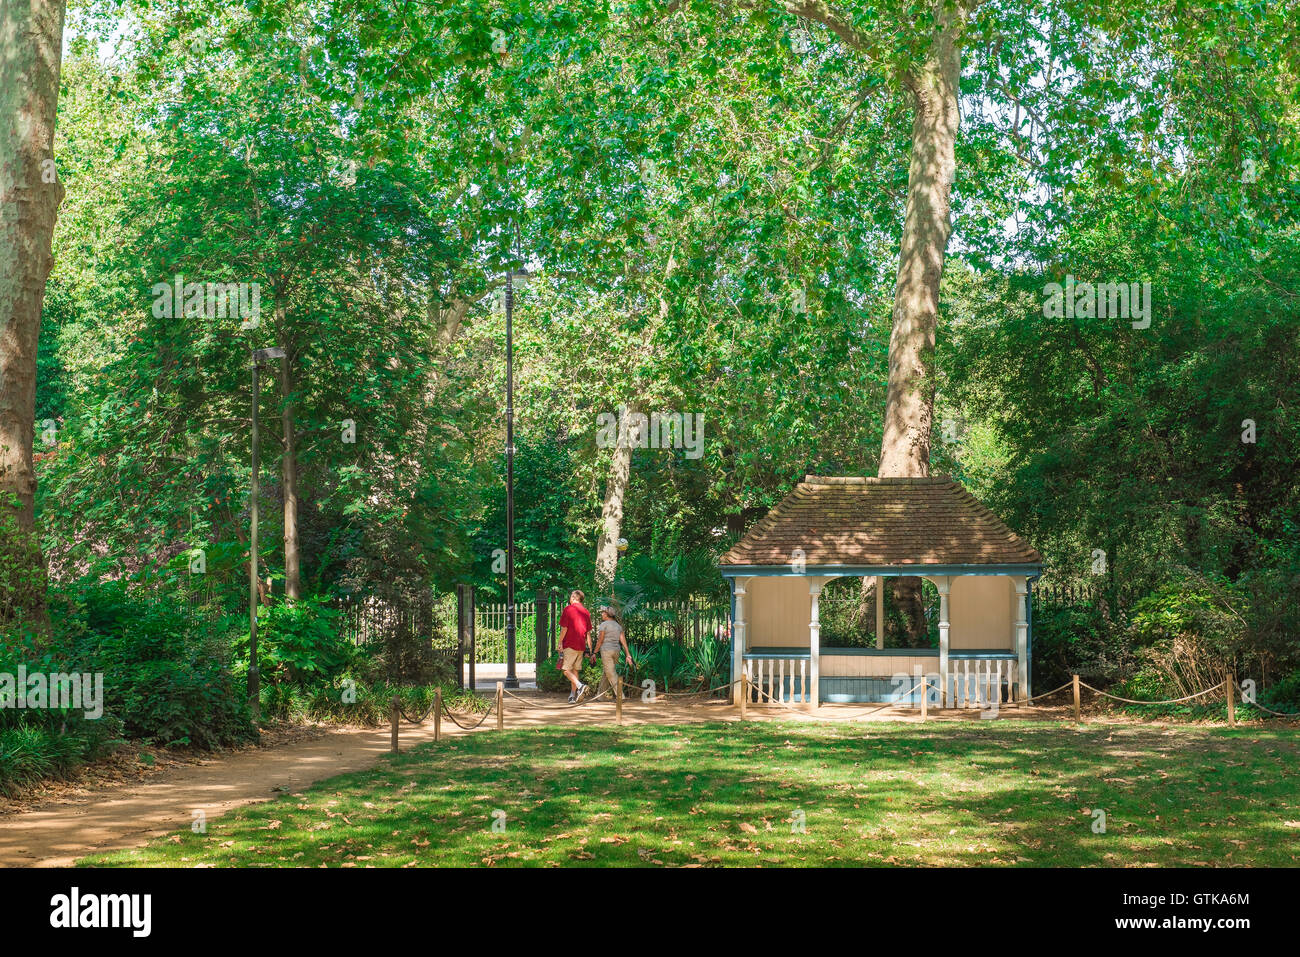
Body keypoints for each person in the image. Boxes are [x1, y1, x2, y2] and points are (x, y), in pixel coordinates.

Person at [558, 589, 592, 702]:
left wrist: (559, 642)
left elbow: (564, 628)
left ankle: (580, 686)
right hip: (581, 645)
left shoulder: (568, 609)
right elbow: (588, 633)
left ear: (573, 597)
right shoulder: (586, 612)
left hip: (570, 643)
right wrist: (590, 650)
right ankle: (573, 695)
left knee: (566, 670)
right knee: (575, 670)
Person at [593, 606, 632, 701]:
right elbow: (623, 640)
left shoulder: (604, 625)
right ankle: (600, 696)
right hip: (616, 650)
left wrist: (594, 652)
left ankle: (620, 696)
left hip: (606, 651)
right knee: (607, 672)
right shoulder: (618, 626)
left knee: (610, 673)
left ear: (607, 614)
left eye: (603, 613)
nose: (601, 614)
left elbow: (600, 640)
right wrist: (627, 653)